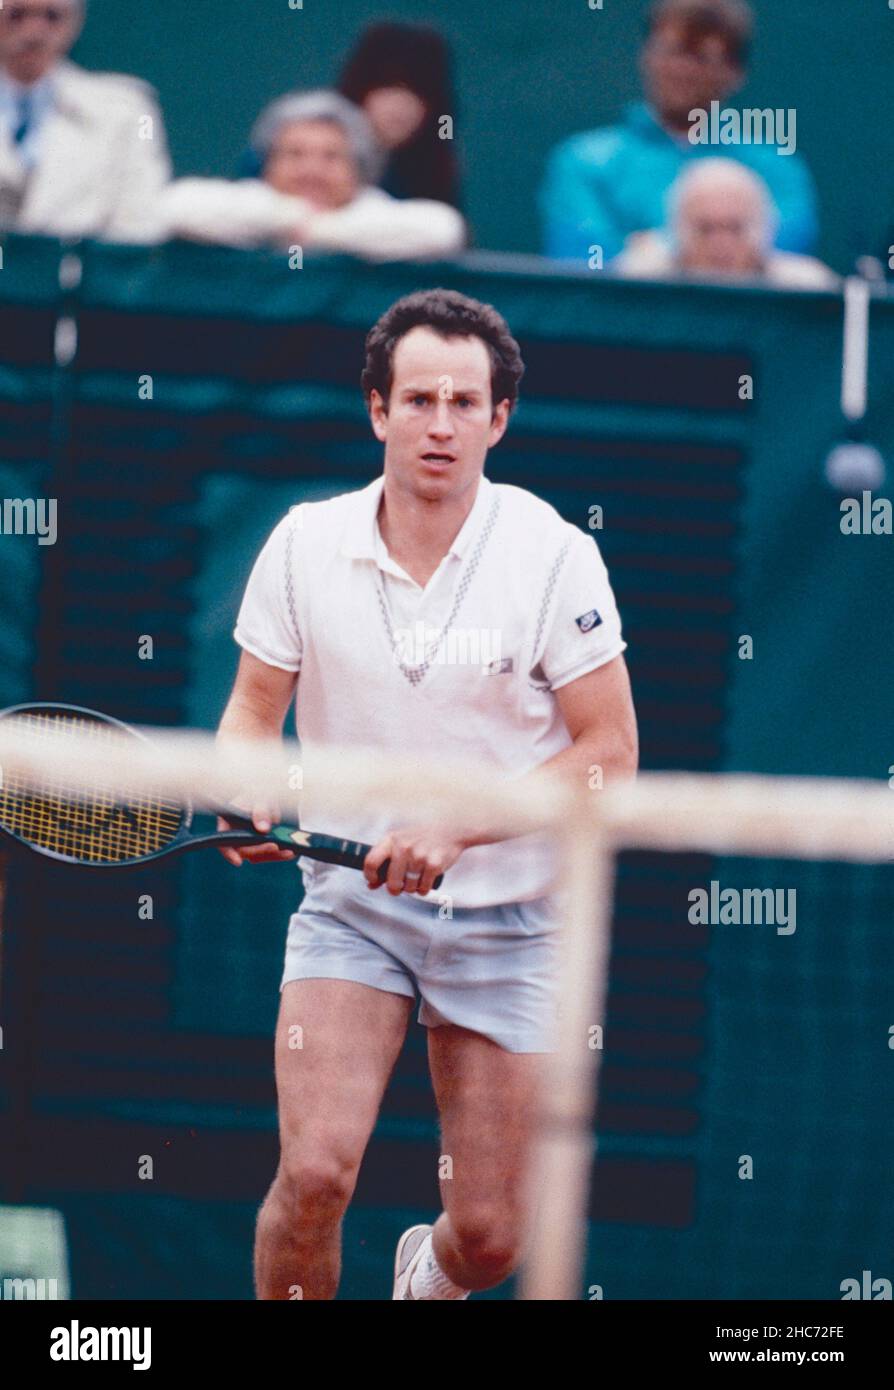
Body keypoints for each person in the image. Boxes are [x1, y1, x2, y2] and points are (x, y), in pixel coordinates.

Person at [218, 288, 638, 1301]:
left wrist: (456, 825)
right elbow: (247, 716)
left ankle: (426, 1277)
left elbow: (610, 749)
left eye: (463, 402)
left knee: (493, 1239)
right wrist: (248, 792)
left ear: (499, 419)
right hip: (351, 912)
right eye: (417, 400)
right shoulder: (303, 543)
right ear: (378, 411)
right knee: (315, 1173)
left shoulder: (554, 555)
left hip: (514, 920)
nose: (439, 424)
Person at [539, 0, 818, 264]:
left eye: (700, 56)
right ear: (645, 56)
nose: (682, 69)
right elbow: (582, 262)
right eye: (671, 51)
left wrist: (652, 247)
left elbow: (782, 259)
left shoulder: (778, 170)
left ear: (736, 72)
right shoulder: (584, 162)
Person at [154, 90, 465, 260]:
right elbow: (173, 207)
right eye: (295, 154)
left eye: (331, 157)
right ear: (267, 163)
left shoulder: (371, 209)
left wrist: (318, 230)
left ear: (359, 170)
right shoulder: (252, 200)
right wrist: (286, 217)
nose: (312, 170)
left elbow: (442, 230)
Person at [0, 0, 170, 241]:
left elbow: (140, 218)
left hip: (82, 274)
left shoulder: (134, 113)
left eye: (51, 16)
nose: (33, 32)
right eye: (16, 15)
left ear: (74, 22)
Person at [615, 159, 838, 289]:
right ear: (678, 232)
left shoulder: (809, 288)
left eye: (735, 229)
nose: (720, 244)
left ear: (763, 231)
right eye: (705, 229)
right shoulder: (638, 283)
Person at [338, 22, 461, 209]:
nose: (401, 104)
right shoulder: (317, 161)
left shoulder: (436, 173)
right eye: (387, 86)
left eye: (418, 92)